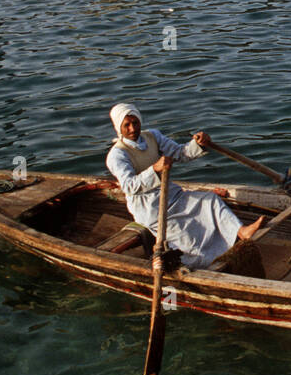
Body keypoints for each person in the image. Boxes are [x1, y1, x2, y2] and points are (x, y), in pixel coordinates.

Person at [105, 103, 263, 268]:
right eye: (127, 125)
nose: (132, 128)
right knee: (186, 236)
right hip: (148, 207)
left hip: (170, 192)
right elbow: (129, 186)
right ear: (118, 127)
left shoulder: (152, 136)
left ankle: (241, 231)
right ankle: (204, 263)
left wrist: (198, 144)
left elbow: (180, 153)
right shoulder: (117, 155)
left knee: (210, 200)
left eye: (135, 122)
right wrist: (155, 169)